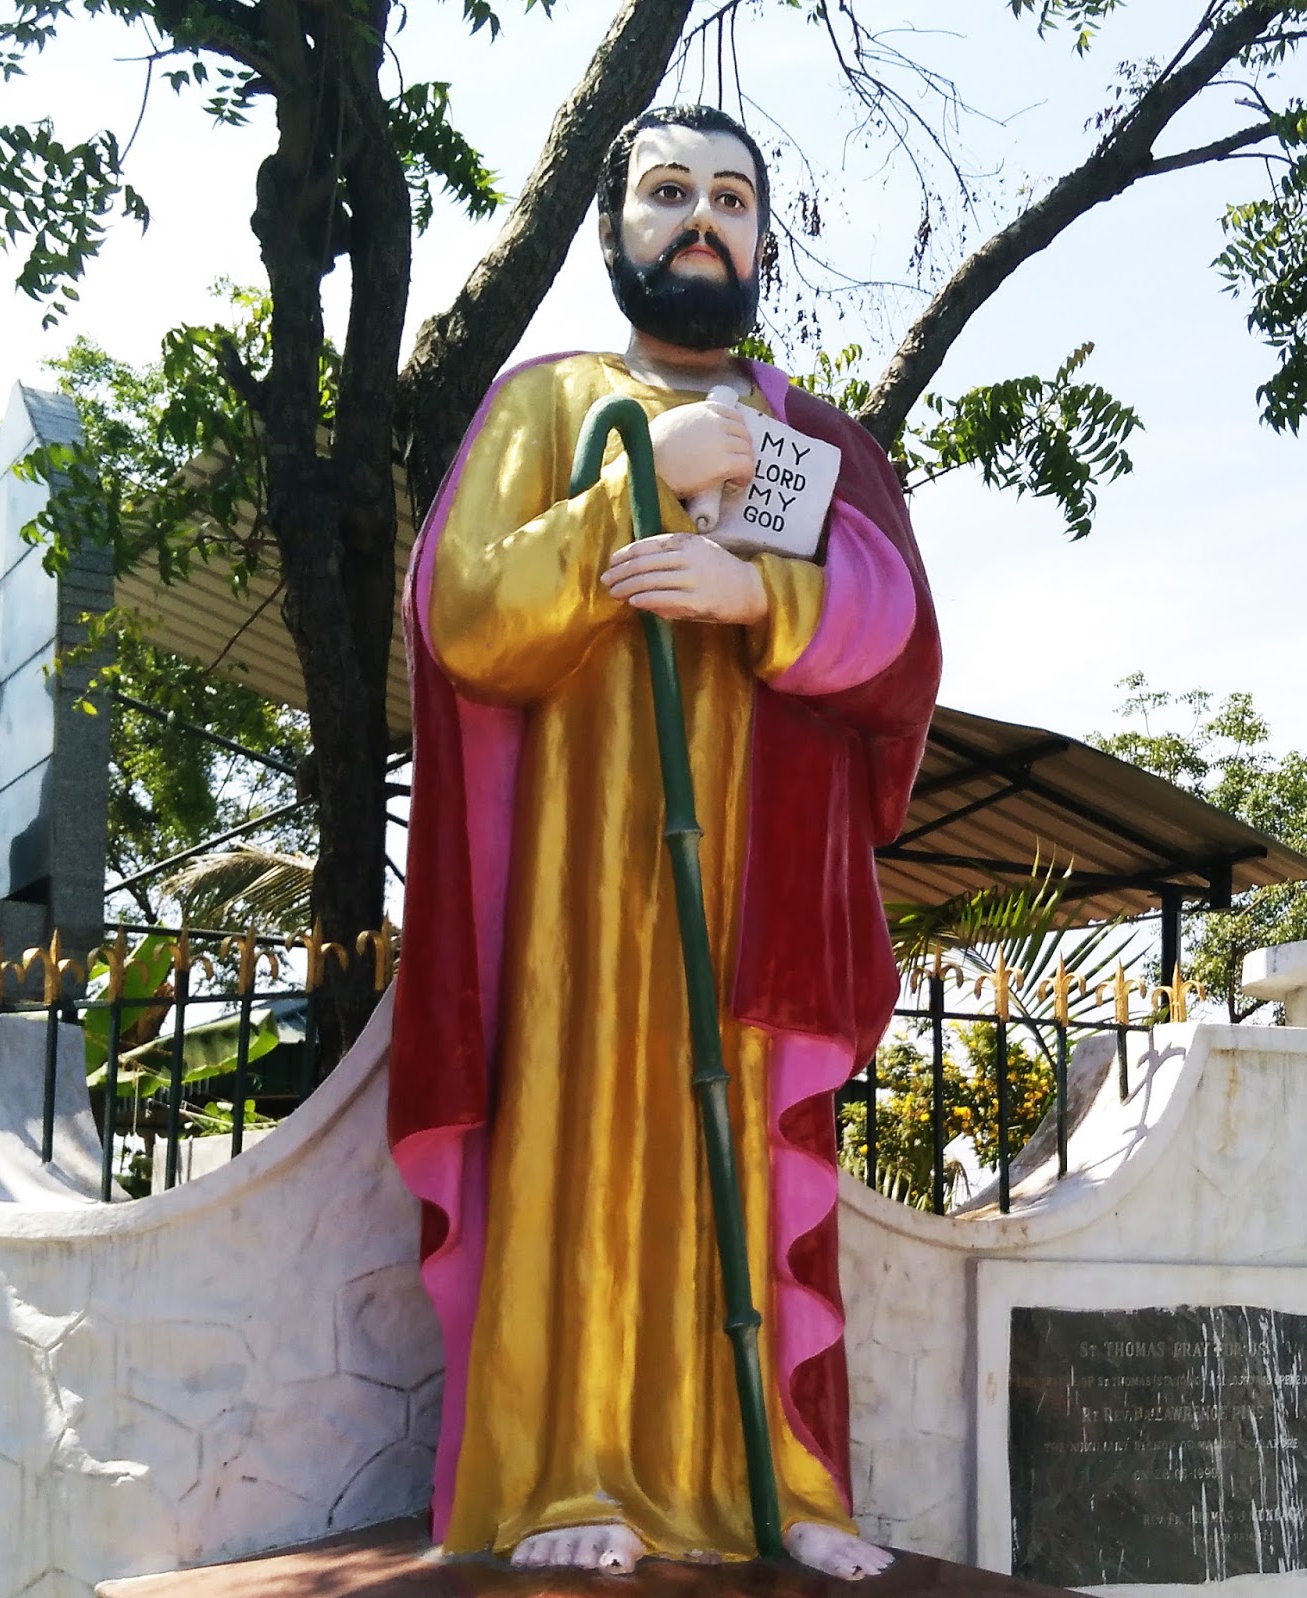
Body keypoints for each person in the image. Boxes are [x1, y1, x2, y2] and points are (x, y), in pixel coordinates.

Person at [390, 104, 940, 1579]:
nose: (703, 220)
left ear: (761, 240)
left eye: (733, 199)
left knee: (751, 1173)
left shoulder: (816, 439)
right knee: (580, 1153)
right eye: (669, 192)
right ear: (615, 226)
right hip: (578, 882)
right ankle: (567, 1468)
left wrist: (762, 597)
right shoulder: (544, 404)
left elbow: (901, 636)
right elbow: (466, 612)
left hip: (756, 884)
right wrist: (639, 481)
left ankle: (782, 1486)